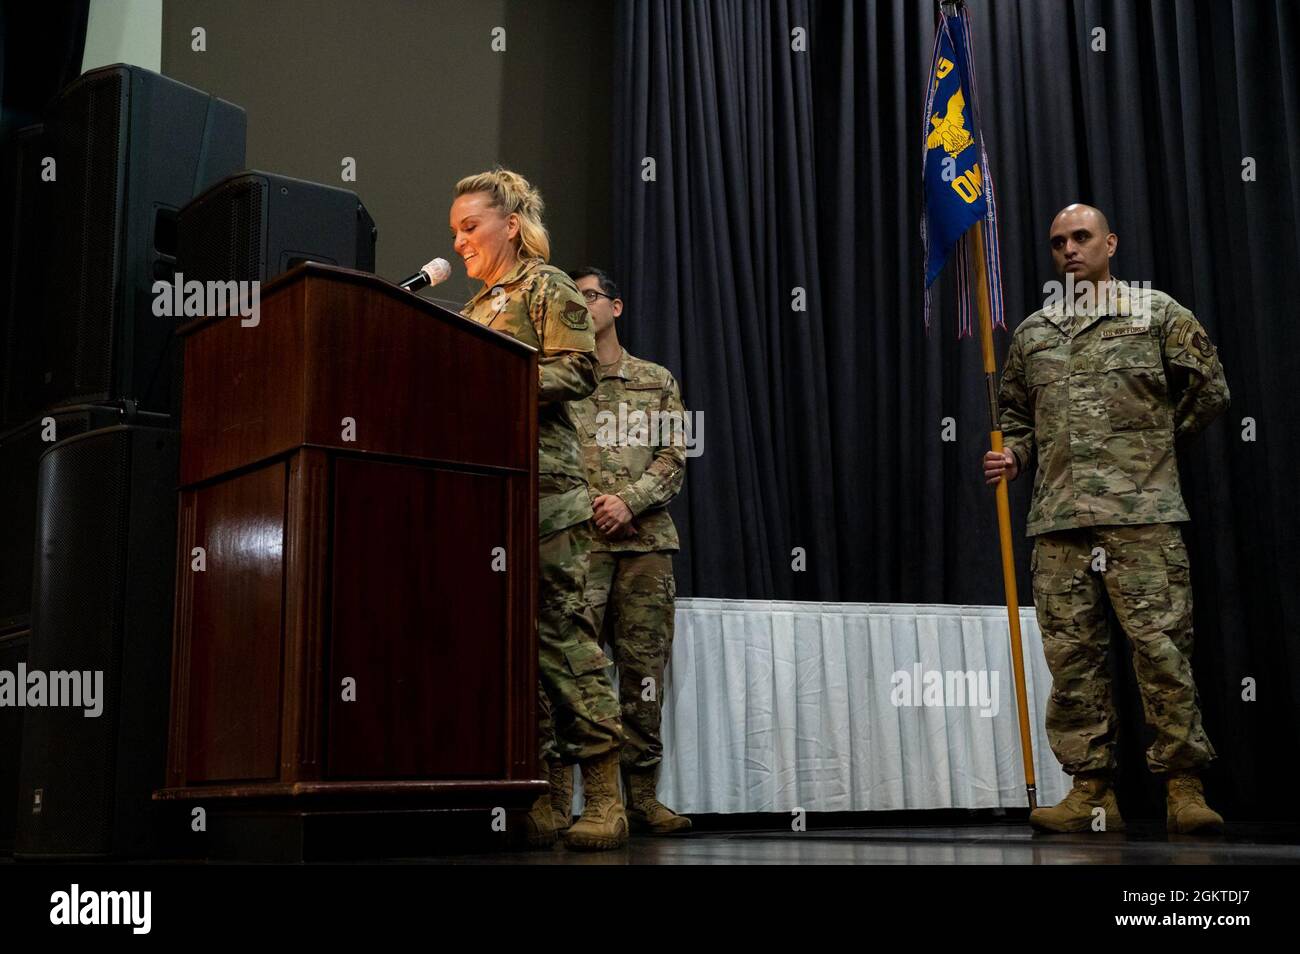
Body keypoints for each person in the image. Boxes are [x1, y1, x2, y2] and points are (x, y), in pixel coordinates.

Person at [986, 203, 1230, 834]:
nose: (1069, 249)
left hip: (1141, 517)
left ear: (1110, 242)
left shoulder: (1156, 313)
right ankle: (1090, 793)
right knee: (1072, 661)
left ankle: (1183, 788)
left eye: (1082, 236)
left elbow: (1209, 388)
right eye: (1058, 241)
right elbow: (1016, 418)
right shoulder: (1035, 333)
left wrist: (1151, 449)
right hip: (1059, 523)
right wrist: (1012, 455)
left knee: (1161, 653)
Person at [451, 169, 626, 851]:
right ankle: (547, 798)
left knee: (564, 638)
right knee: (518, 651)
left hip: (547, 496)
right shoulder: (473, 312)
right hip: (491, 494)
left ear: (511, 225)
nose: (460, 241)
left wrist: (497, 378)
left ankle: (605, 796)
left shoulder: (547, 287)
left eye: (470, 226)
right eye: (454, 231)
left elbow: (578, 371)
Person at [552, 266, 691, 835]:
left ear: (616, 307)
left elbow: (675, 458)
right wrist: (587, 508)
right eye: (574, 300)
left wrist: (629, 501)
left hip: (644, 548)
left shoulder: (655, 380)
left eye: (590, 297)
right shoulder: (560, 381)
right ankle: (563, 799)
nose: (583, 307)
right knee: (570, 673)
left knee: (642, 676)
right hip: (576, 549)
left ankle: (640, 797)